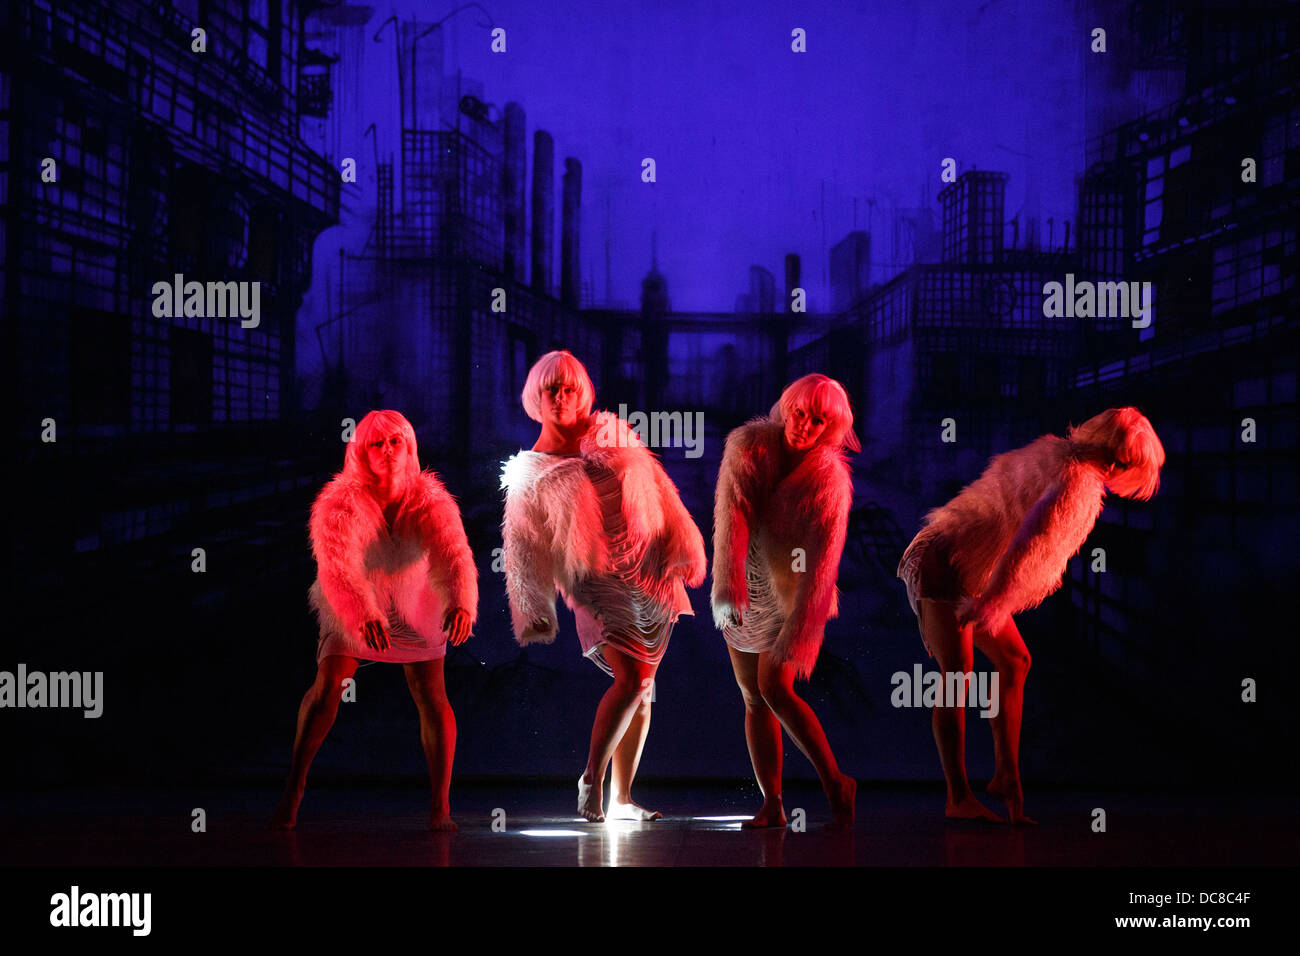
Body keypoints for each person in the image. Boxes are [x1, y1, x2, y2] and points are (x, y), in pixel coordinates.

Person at [897, 406, 1165, 824]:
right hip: (951, 561)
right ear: (1112, 455)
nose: (1116, 471)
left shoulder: (1058, 455)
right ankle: (958, 797)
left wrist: (990, 600)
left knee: (1015, 661)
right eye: (1120, 462)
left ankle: (1006, 774)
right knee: (956, 675)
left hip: (970, 562)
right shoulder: (1076, 483)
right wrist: (991, 604)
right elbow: (1026, 544)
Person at [500, 350, 706, 822]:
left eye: (569, 387)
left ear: (583, 391)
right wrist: (532, 607)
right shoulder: (530, 470)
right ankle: (592, 775)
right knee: (631, 678)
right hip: (595, 584)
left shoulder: (611, 434)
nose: (561, 396)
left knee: (644, 686)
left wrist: (685, 543)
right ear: (535, 395)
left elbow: (658, 489)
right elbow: (523, 548)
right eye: (551, 389)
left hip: (650, 568)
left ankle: (622, 797)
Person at [272, 410, 477, 831]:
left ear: (409, 446)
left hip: (414, 601)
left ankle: (440, 807)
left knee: (431, 695)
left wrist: (460, 602)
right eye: (376, 445)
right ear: (361, 452)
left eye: (395, 442)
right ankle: (294, 787)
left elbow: (454, 555)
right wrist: (361, 612)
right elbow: (337, 568)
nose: (387, 451)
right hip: (354, 602)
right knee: (329, 686)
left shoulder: (431, 499)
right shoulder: (339, 502)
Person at [711, 374, 860, 829]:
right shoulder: (747, 445)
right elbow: (729, 513)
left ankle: (835, 780)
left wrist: (805, 624)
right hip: (744, 579)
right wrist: (729, 580)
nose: (806, 426)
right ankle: (772, 804)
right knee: (753, 697)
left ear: (830, 428)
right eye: (800, 414)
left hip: (792, 592)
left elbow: (824, 562)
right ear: (786, 406)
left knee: (776, 688)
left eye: (818, 421)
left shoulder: (829, 479)